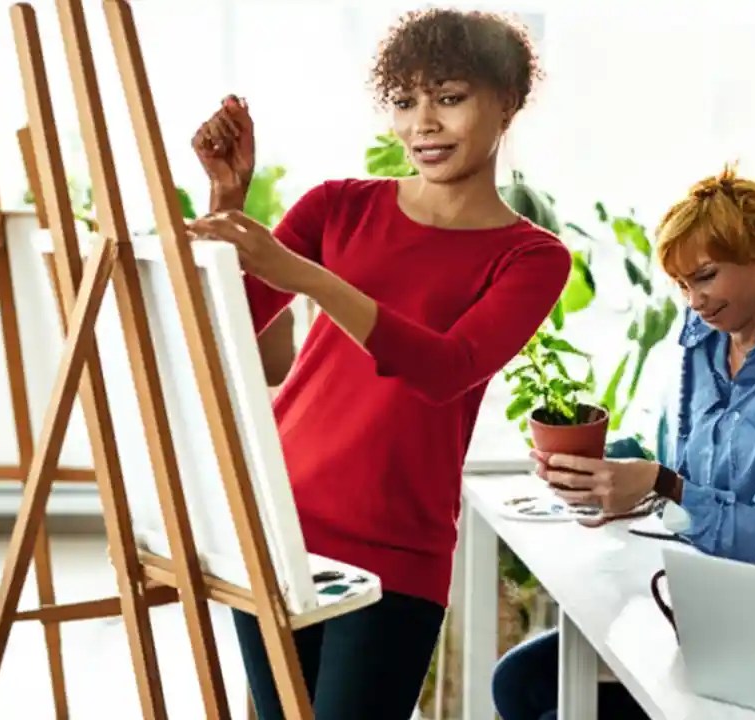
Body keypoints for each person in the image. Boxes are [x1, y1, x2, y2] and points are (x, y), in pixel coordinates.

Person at [188, 9, 570, 719]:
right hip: (277, 520)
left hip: (396, 551)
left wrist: (308, 276)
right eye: (404, 101)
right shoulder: (337, 207)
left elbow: (445, 367)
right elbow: (227, 327)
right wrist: (227, 206)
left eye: (449, 98)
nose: (423, 123)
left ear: (507, 103)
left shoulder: (531, 257)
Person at [492, 165, 755, 720]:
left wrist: (663, 484)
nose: (695, 301)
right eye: (683, 284)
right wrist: (591, 462)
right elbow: (674, 457)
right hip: (721, 599)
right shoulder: (702, 343)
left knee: (555, 704)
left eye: (707, 276)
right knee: (522, 682)